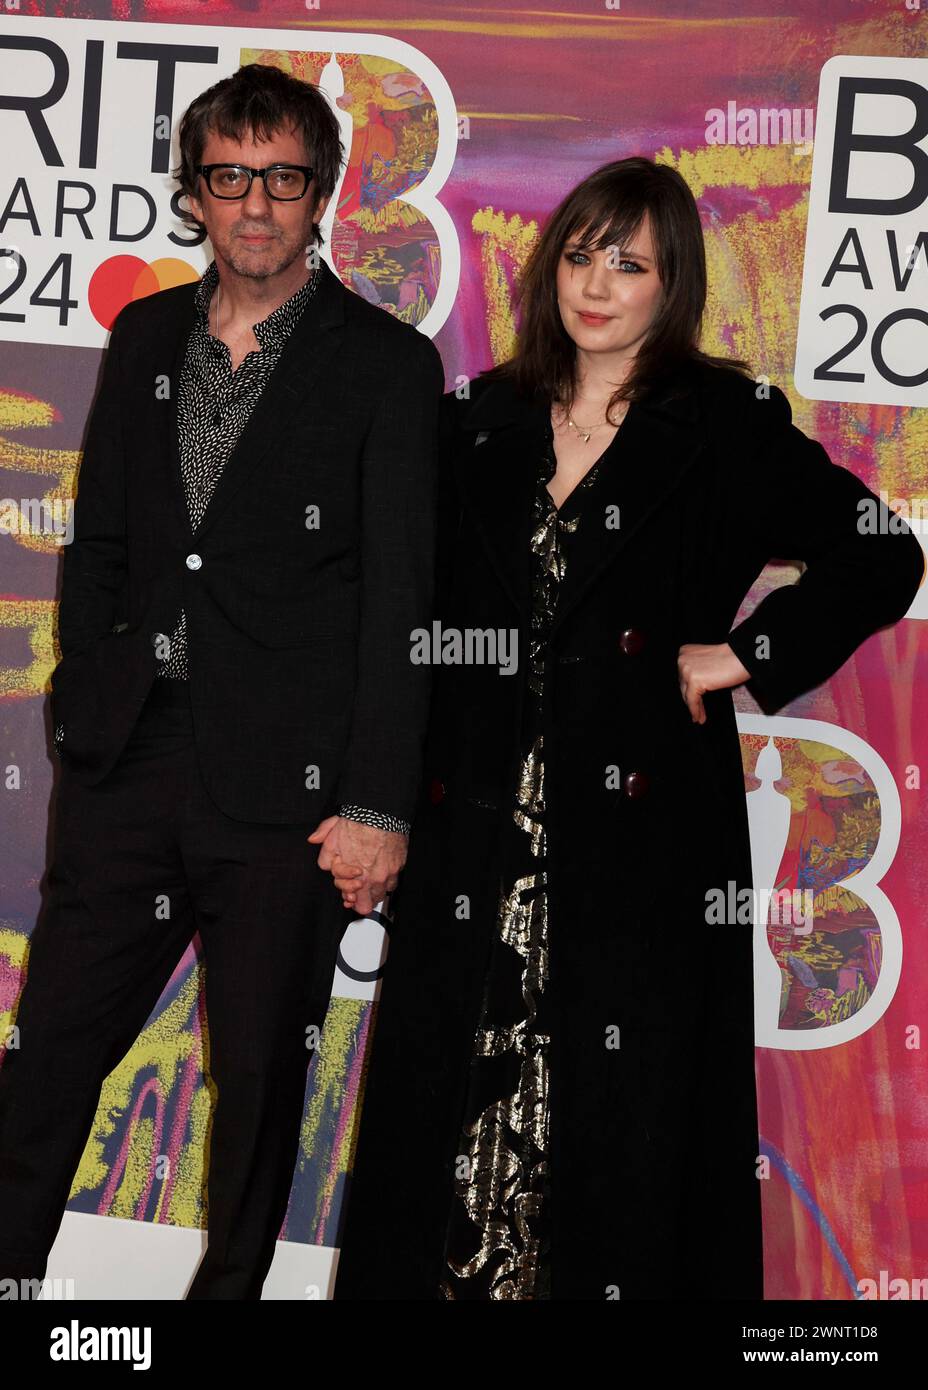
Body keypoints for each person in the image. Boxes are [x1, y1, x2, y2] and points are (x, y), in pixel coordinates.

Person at [332, 156, 925, 1300]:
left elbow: (881, 551)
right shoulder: (478, 419)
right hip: (479, 840)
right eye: (579, 253)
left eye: (630, 262)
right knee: (452, 1109)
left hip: (645, 850)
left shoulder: (725, 426)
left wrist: (748, 653)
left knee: (625, 1135)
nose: (596, 283)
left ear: (671, 284)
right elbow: (404, 617)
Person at [0, 62, 443, 1299]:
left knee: (257, 1095)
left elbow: (405, 604)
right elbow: (102, 546)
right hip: (131, 756)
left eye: (282, 178)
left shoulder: (385, 367)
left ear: (322, 196)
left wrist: (378, 805)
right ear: (194, 192)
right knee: (46, 1064)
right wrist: (86, 703)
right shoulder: (144, 334)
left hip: (287, 794)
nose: (255, 204)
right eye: (229, 176)